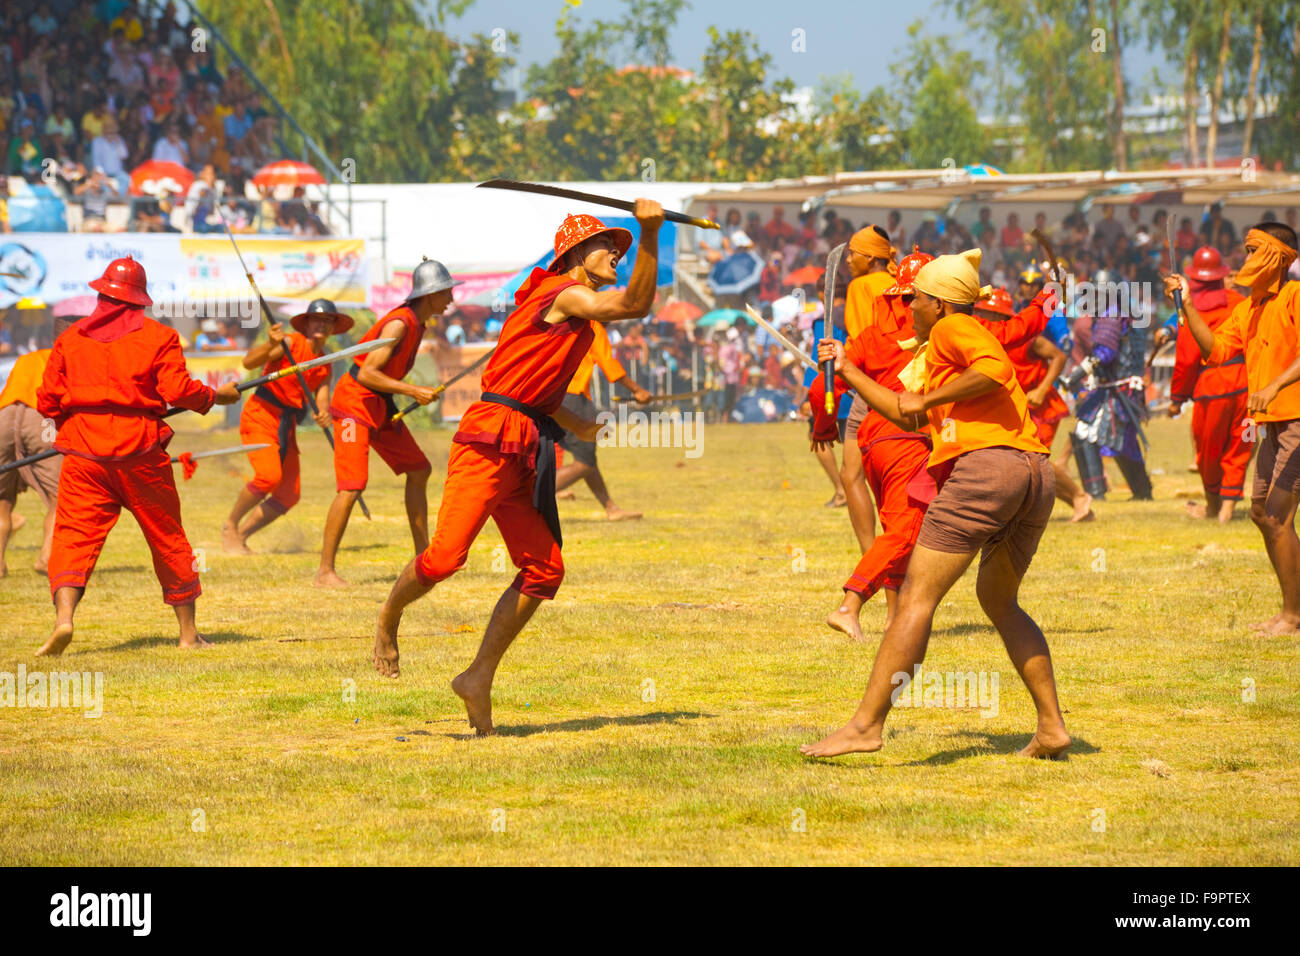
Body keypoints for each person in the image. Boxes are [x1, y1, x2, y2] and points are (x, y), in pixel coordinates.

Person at [371, 202, 664, 736]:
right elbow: (633, 305)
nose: (617, 259)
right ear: (576, 254)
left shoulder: (562, 308)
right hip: (488, 439)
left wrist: (582, 427)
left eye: (623, 251)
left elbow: (539, 396)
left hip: (526, 441)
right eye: (609, 249)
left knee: (544, 569)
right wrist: (649, 231)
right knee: (442, 561)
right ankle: (389, 617)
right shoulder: (563, 293)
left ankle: (477, 676)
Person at [801, 248, 1070, 760]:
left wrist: (923, 401)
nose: (911, 308)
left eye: (918, 299)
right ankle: (1052, 726)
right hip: (1033, 475)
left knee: (917, 602)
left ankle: (865, 727)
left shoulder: (953, 330)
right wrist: (850, 371)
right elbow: (905, 414)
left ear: (941, 304)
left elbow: (992, 370)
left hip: (987, 473)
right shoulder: (936, 352)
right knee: (1000, 600)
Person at [34, 258, 240, 655]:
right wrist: (216, 397)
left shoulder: (71, 338)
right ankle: (187, 636)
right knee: (167, 536)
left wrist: (74, 420)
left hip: (83, 454)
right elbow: (179, 390)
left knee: (73, 535)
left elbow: (47, 400)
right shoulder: (159, 336)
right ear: (139, 300)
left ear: (100, 295)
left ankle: (64, 620)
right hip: (139, 451)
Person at [1171, 221, 1300, 634]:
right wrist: (1186, 304)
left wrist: (1275, 384)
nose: (1244, 259)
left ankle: (1294, 617)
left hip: (1296, 420)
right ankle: (1290, 611)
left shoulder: (1296, 295)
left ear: (1278, 257)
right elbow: (1214, 349)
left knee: (1277, 515)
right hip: (1272, 426)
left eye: (1251, 250)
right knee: (1262, 512)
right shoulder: (1248, 308)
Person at [808, 248, 935, 640]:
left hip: (872, 446)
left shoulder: (871, 336)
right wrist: (1043, 301)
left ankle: (895, 619)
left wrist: (824, 426)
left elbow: (822, 385)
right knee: (904, 532)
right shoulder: (937, 332)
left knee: (897, 531)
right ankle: (850, 605)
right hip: (908, 442)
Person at [315, 259, 454, 587]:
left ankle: (424, 558)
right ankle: (325, 572)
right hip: (353, 405)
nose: (451, 298)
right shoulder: (399, 324)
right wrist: (413, 390)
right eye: (446, 291)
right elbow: (366, 372)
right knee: (351, 487)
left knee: (419, 469)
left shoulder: (419, 322)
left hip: (378, 405)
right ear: (430, 293)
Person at [222, 299, 351, 553]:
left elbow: (322, 399)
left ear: (334, 327)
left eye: (327, 321)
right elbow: (249, 363)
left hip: (287, 424)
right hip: (261, 415)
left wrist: (324, 414)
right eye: (317, 319)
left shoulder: (325, 361)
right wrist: (271, 343)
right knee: (268, 477)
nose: (321, 325)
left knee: (289, 494)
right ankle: (230, 525)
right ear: (307, 322)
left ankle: (241, 536)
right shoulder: (291, 343)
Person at [973, 287, 1094, 521]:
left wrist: (1041, 389)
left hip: (1042, 405)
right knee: (1029, 465)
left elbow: (1059, 356)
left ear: (999, 316)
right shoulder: (989, 340)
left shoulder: (1028, 341)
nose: (981, 317)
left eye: (985, 312)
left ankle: (1080, 498)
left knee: (1036, 460)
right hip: (1019, 407)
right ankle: (1079, 503)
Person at [1167, 246, 1249, 523]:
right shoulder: (1240, 300)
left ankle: (1215, 508)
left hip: (1211, 387)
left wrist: (1177, 399)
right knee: (1239, 448)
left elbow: (1187, 359)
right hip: (1244, 385)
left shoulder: (1191, 310)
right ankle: (1227, 510)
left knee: (1208, 454)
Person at [553, 320, 652, 520]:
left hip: (554, 394)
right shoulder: (592, 325)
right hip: (573, 396)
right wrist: (637, 390)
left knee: (588, 457)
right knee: (584, 463)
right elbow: (609, 365)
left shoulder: (566, 321)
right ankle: (530, 498)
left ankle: (611, 508)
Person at [0, 317, 74, 576]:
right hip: (40, 418)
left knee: (2, 500)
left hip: (3, 416)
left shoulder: (29, 358)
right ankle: (47, 559)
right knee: (61, 496)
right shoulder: (73, 359)